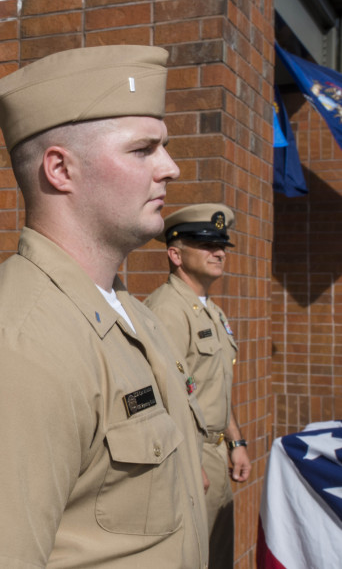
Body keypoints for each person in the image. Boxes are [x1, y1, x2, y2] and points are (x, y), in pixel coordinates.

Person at [0, 45, 210, 568]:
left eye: (163, 147)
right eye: (143, 149)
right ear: (60, 170)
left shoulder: (133, 315)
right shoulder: (10, 349)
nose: (170, 167)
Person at [145, 203, 251, 568]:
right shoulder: (167, 310)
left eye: (221, 245)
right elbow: (161, 395)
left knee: (218, 557)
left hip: (217, 453)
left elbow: (211, 387)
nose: (219, 252)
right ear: (175, 253)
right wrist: (190, 462)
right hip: (191, 457)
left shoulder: (212, 311)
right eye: (206, 245)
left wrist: (235, 441)